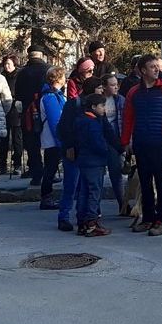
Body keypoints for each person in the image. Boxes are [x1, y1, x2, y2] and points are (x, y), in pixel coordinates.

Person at [121, 54, 162, 236]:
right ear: (143, 71)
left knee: (161, 182)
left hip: (159, 143)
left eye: (157, 66)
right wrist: (126, 141)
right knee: (145, 182)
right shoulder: (133, 92)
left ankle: (161, 220)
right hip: (141, 142)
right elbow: (128, 118)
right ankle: (147, 218)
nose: (157, 69)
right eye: (152, 66)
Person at [54, 76, 104, 231]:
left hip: (87, 153)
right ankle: (64, 216)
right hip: (73, 151)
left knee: (85, 187)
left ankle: (84, 217)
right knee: (71, 184)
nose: (102, 90)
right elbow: (63, 127)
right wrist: (69, 147)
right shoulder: (74, 104)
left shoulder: (96, 108)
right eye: (99, 88)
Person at [74, 93, 120, 237]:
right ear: (93, 107)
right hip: (94, 161)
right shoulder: (92, 123)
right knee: (94, 191)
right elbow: (98, 143)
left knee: (84, 192)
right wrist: (107, 151)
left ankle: (82, 222)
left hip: (84, 160)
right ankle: (91, 223)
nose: (104, 109)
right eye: (102, 106)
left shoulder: (81, 120)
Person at [14, 46, 50, 182]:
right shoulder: (48, 70)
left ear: (29, 56)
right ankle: (49, 171)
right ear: (41, 56)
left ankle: (36, 171)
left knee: (31, 142)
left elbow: (18, 94)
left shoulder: (23, 73)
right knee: (49, 141)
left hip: (28, 111)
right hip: (47, 109)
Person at [38, 67, 69, 210]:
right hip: (52, 140)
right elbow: (55, 121)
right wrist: (61, 141)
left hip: (54, 139)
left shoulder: (56, 95)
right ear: (58, 78)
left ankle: (47, 197)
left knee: (51, 168)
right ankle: (46, 197)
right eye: (63, 76)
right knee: (50, 169)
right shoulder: (50, 97)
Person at [101, 74, 127, 215]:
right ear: (104, 87)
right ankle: (94, 210)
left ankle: (122, 204)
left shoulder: (120, 100)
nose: (116, 86)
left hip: (115, 141)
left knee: (116, 173)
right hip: (100, 140)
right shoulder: (97, 100)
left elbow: (126, 122)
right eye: (112, 84)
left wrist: (126, 142)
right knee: (98, 175)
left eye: (116, 84)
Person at [0, 54, 23, 176]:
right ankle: (2, 164)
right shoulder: (1, 76)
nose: (7, 66)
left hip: (16, 109)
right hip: (4, 108)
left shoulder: (20, 75)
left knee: (16, 139)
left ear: (14, 64)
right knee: (3, 139)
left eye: (9, 64)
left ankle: (17, 164)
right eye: (5, 64)